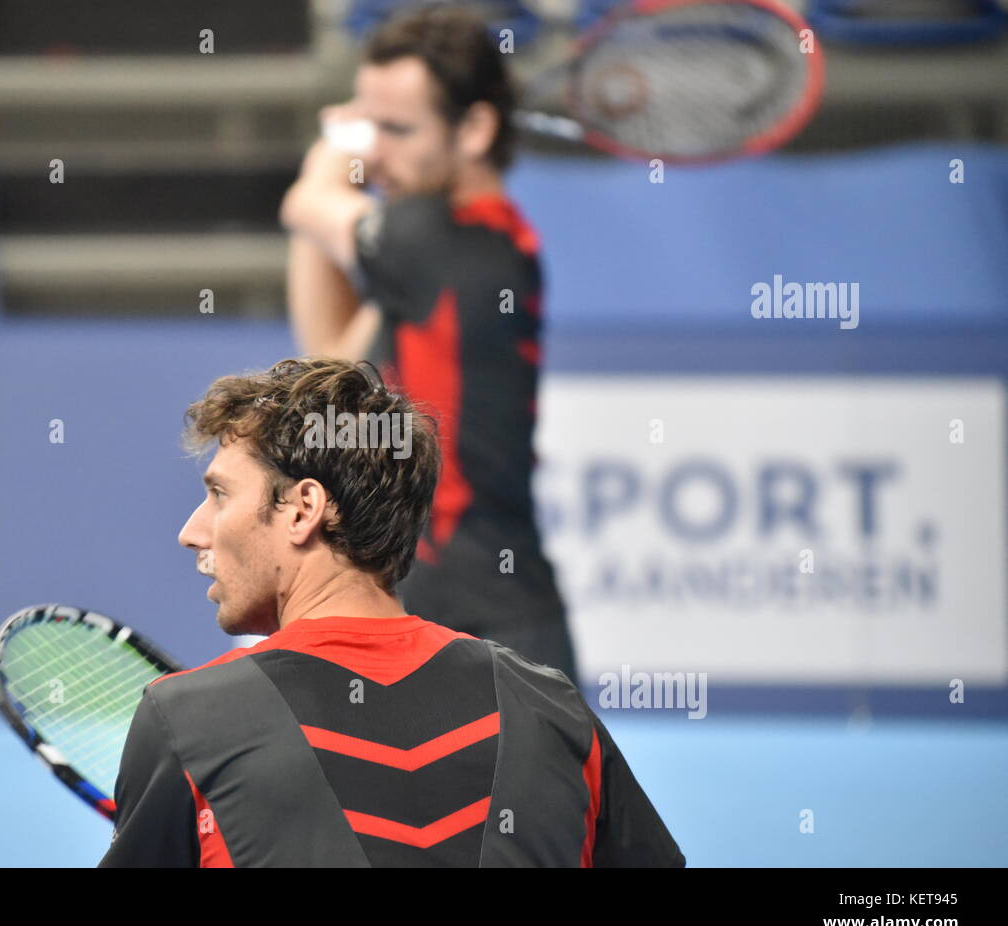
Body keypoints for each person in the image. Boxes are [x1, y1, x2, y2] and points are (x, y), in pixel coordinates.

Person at [98, 357, 683, 867]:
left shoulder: (186, 720)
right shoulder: (554, 712)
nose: (191, 531)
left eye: (220, 494)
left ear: (303, 509)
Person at [278, 3, 576, 683]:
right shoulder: (447, 256)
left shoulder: (436, 242)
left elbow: (305, 203)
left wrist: (337, 146)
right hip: (422, 610)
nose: (376, 149)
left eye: (396, 128)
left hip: (497, 629)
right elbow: (330, 357)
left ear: (474, 128)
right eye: (369, 123)